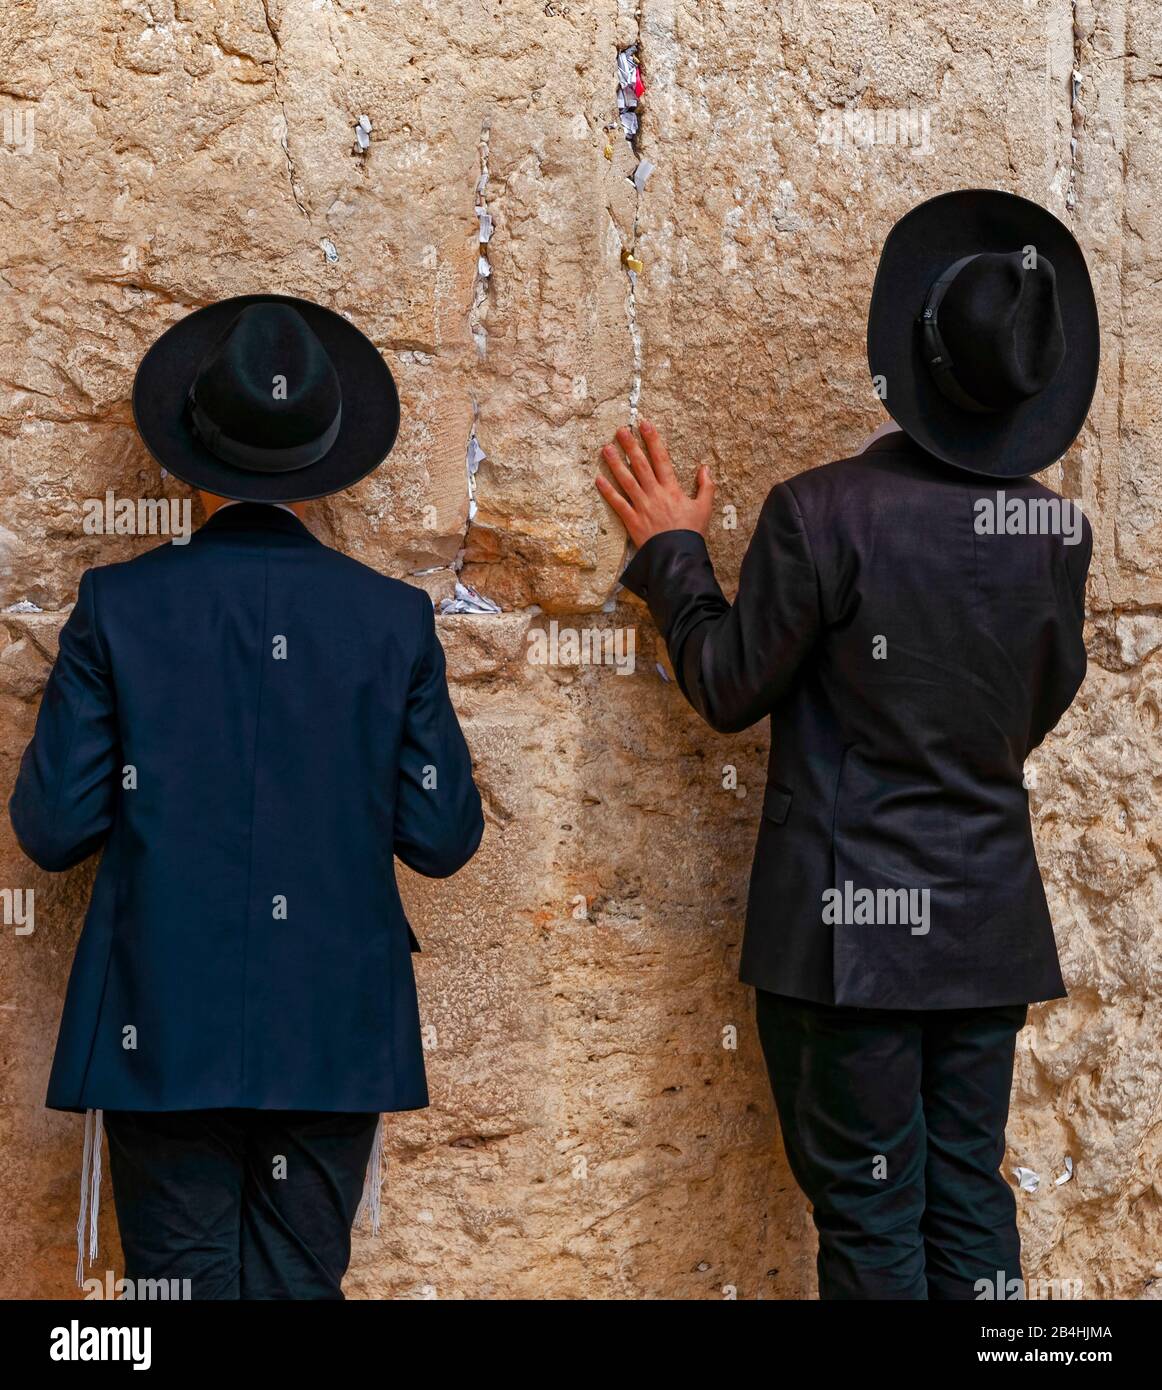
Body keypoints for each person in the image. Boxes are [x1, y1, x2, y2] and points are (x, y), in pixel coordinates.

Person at [596, 189, 1098, 1299]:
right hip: (983, 928)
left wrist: (676, 556)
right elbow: (1032, 708)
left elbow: (728, 686)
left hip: (850, 940)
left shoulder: (821, 513)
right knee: (968, 1195)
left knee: (872, 1217)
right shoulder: (1056, 533)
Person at [10, 295, 484, 1299]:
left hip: (160, 1021)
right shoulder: (392, 623)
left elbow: (53, 828)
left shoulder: (120, 608)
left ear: (190, 452)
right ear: (325, 458)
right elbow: (441, 837)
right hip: (330, 1028)